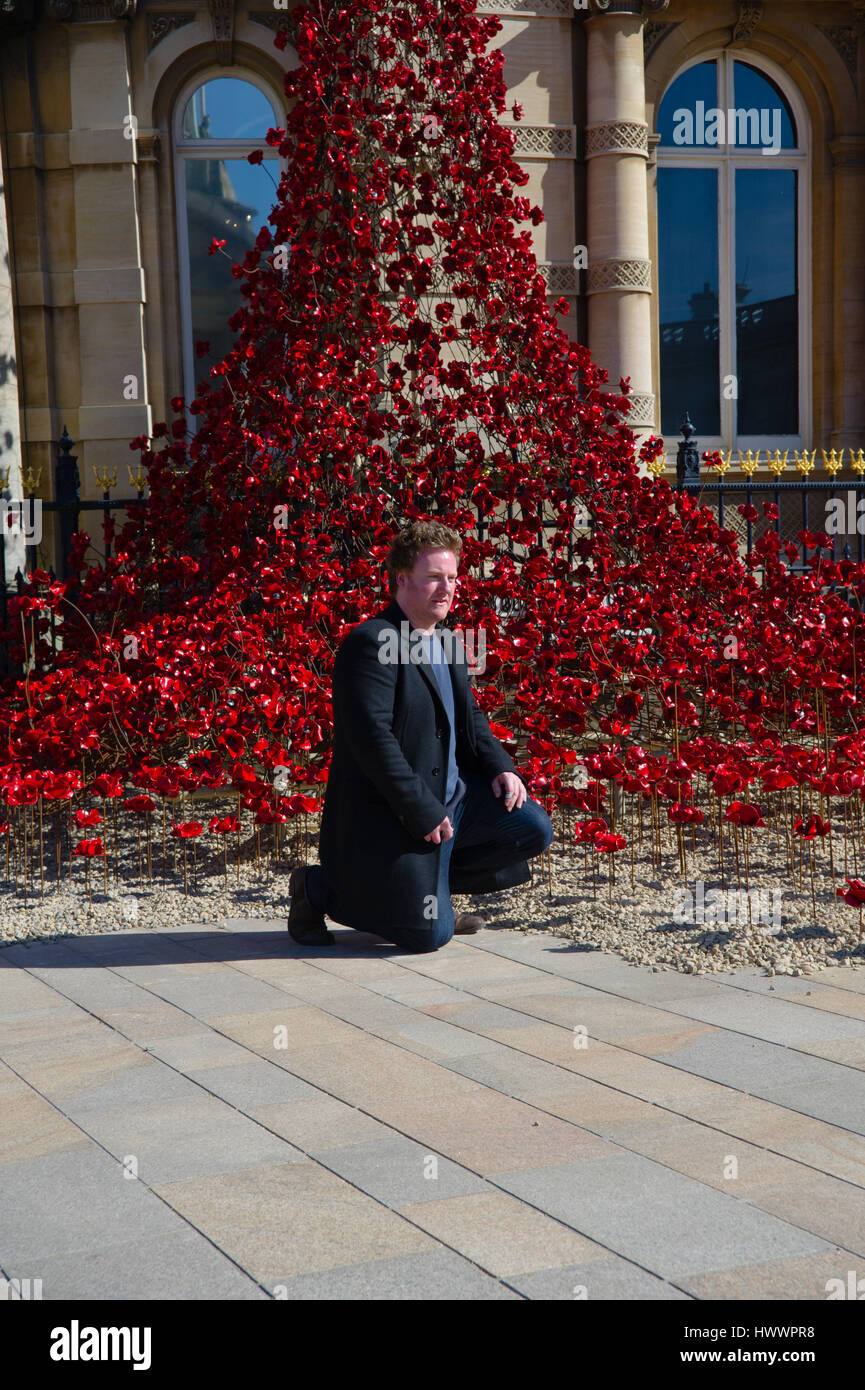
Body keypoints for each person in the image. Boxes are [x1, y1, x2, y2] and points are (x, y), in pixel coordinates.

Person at [288, 519, 554, 952]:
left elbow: (471, 716)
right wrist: (421, 810)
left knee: (532, 828)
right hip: (396, 813)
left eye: (451, 578)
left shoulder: (448, 641)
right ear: (402, 579)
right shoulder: (371, 643)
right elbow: (372, 740)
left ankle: (434, 894)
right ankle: (316, 887)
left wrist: (501, 767)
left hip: (455, 801)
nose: (446, 588)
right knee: (430, 937)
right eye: (433, 577)